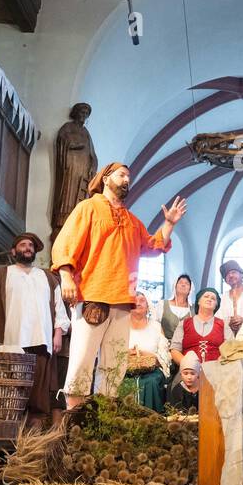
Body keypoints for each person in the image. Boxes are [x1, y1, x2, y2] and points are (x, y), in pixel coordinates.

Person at [51, 162, 186, 410]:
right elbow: (66, 242)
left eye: (129, 177)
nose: (126, 180)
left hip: (123, 301)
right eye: (121, 174)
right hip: (93, 295)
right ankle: (73, 420)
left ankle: (103, 422)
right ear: (105, 178)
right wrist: (66, 275)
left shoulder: (132, 221)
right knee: (81, 360)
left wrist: (169, 224)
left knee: (114, 365)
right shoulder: (88, 208)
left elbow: (154, 245)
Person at [0, 232, 71, 429]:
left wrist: (57, 334)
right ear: (14, 251)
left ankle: (32, 446)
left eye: (31, 245)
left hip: (41, 345)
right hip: (11, 347)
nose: (27, 247)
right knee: (12, 398)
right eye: (23, 245)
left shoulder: (48, 277)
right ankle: (12, 444)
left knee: (38, 401)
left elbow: (59, 309)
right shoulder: (1, 275)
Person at [50, 103, 97, 239]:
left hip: (83, 170)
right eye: (81, 112)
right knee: (69, 191)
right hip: (71, 169)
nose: (83, 116)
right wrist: (75, 145)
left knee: (80, 195)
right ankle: (62, 219)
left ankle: (77, 219)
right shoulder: (68, 127)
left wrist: (92, 167)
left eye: (86, 114)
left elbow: (92, 153)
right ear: (75, 113)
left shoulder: (86, 133)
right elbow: (63, 141)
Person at [124, 292, 172, 413]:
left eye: (142, 300)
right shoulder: (120, 325)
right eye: (135, 300)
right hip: (125, 370)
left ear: (148, 306)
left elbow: (164, 354)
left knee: (151, 382)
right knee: (123, 382)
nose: (138, 303)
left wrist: (149, 356)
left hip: (152, 370)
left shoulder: (156, 326)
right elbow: (113, 350)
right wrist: (126, 353)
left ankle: (152, 423)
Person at [170, 287, 226, 369]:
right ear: (198, 301)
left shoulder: (224, 325)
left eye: (213, 298)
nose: (209, 299)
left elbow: (229, 351)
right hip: (188, 374)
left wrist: (217, 367)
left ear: (216, 305)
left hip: (217, 373)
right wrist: (188, 366)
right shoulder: (184, 324)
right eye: (206, 296)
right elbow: (175, 350)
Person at [215, 259, 243, 336]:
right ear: (225, 280)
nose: (231, 275)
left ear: (242, 275)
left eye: (233, 272)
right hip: (229, 341)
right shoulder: (222, 298)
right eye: (227, 274)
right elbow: (218, 321)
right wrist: (229, 323)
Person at [156, 273, 193, 342]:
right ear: (175, 286)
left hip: (186, 347)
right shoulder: (163, 304)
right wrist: (164, 343)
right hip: (165, 346)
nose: (183, 285)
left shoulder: (194, 309)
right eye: (180, 282)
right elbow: (155, 325)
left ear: (190, 289)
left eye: (187, 284)